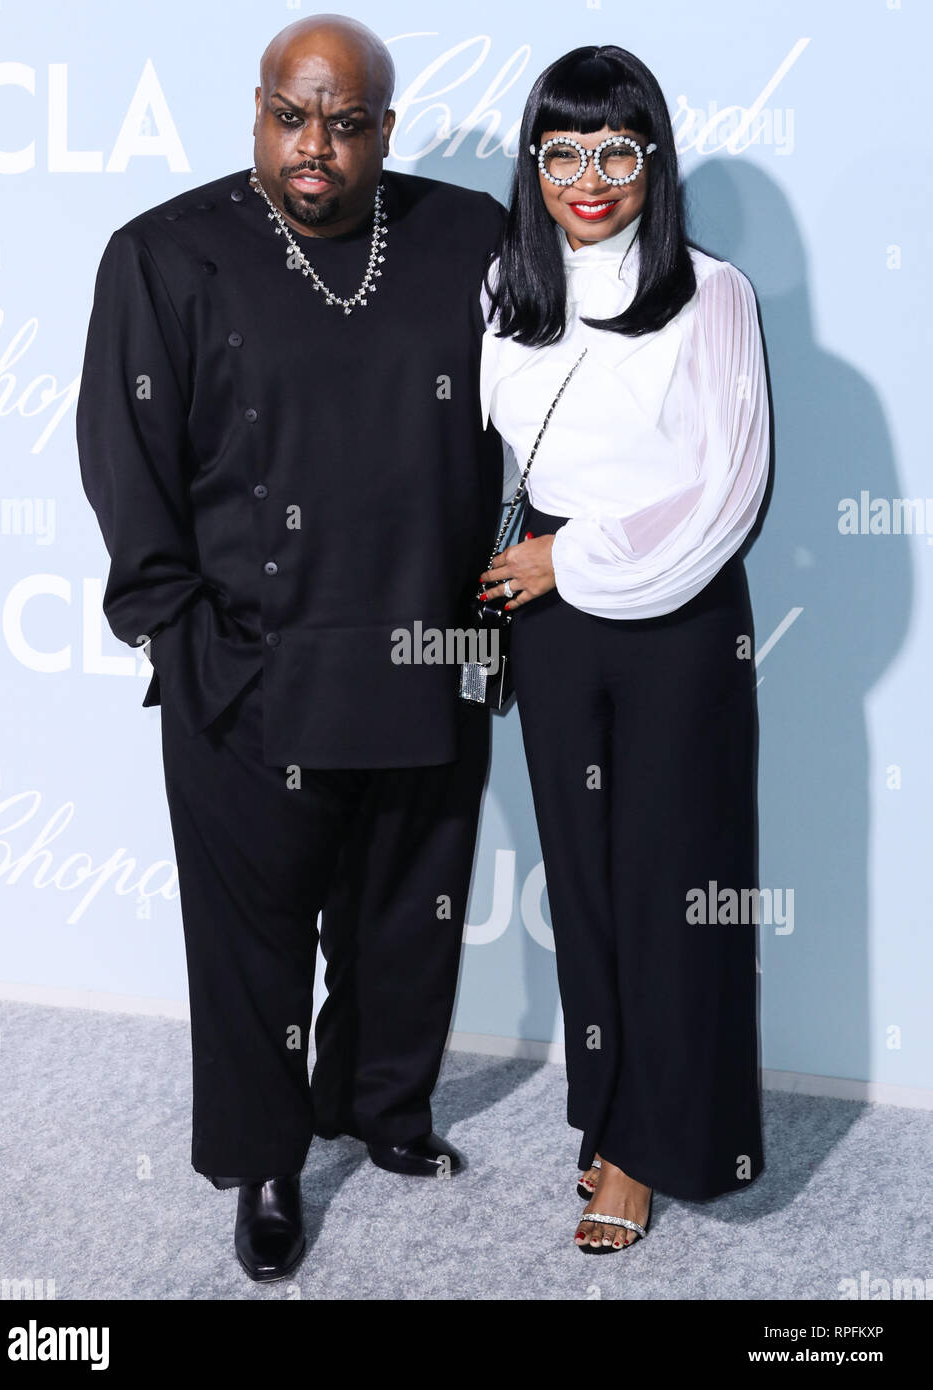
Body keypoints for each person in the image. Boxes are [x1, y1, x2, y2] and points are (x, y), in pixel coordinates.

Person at [76, 15, 506, 1281]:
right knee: (253, 936)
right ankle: (267, 1162)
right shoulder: (164, 255)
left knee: (404, 914)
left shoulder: (465, 237)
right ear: (258, 109)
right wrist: (182, 633)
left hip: (424, 652)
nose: (316, 146)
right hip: (248, 665)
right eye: (292, 114)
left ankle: (380, 1107)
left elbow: (556, 387)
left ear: (386, 125)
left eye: (348, 121)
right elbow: (124, 460)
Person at [478, 44, 770, 1252]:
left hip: (678, 624)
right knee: (585, 884)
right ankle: (604, 1109)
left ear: (653, 158)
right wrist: (524, 572)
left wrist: (569, 561)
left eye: (615, 150)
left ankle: (656, 1147)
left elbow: (727, 494)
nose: (589, 178)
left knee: (670, 887)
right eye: (563, 152)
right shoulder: (504, 288)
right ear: (534, 164)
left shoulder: (714, 295)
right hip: (551, 631)